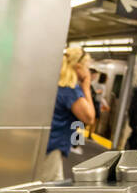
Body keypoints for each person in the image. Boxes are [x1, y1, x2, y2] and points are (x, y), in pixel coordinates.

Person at [40, 45, 96, 182]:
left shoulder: (58, 84)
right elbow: (89, 117)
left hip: (46, 142)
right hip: (53, 145)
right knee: (48, 186)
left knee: (53, 182)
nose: (88, 72)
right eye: (86, 67)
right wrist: (87, 88)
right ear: (78, 67)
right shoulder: (71, 90)